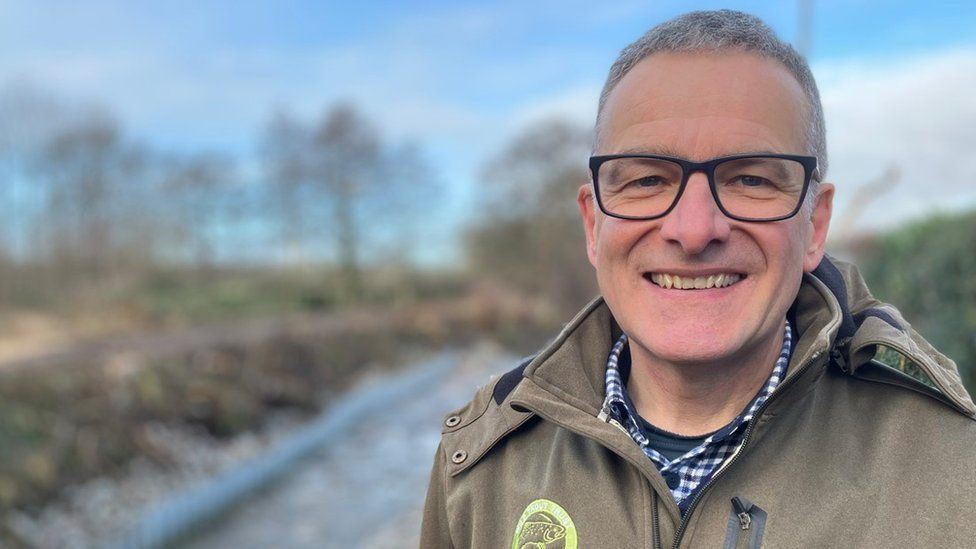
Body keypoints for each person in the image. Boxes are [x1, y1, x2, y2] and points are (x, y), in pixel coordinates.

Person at [421, 10, 976, 548]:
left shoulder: (955, 474)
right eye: (645, 180)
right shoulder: (478, 468)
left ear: (815, 226)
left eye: (750, 179)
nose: (692, 230)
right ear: (594, 224)